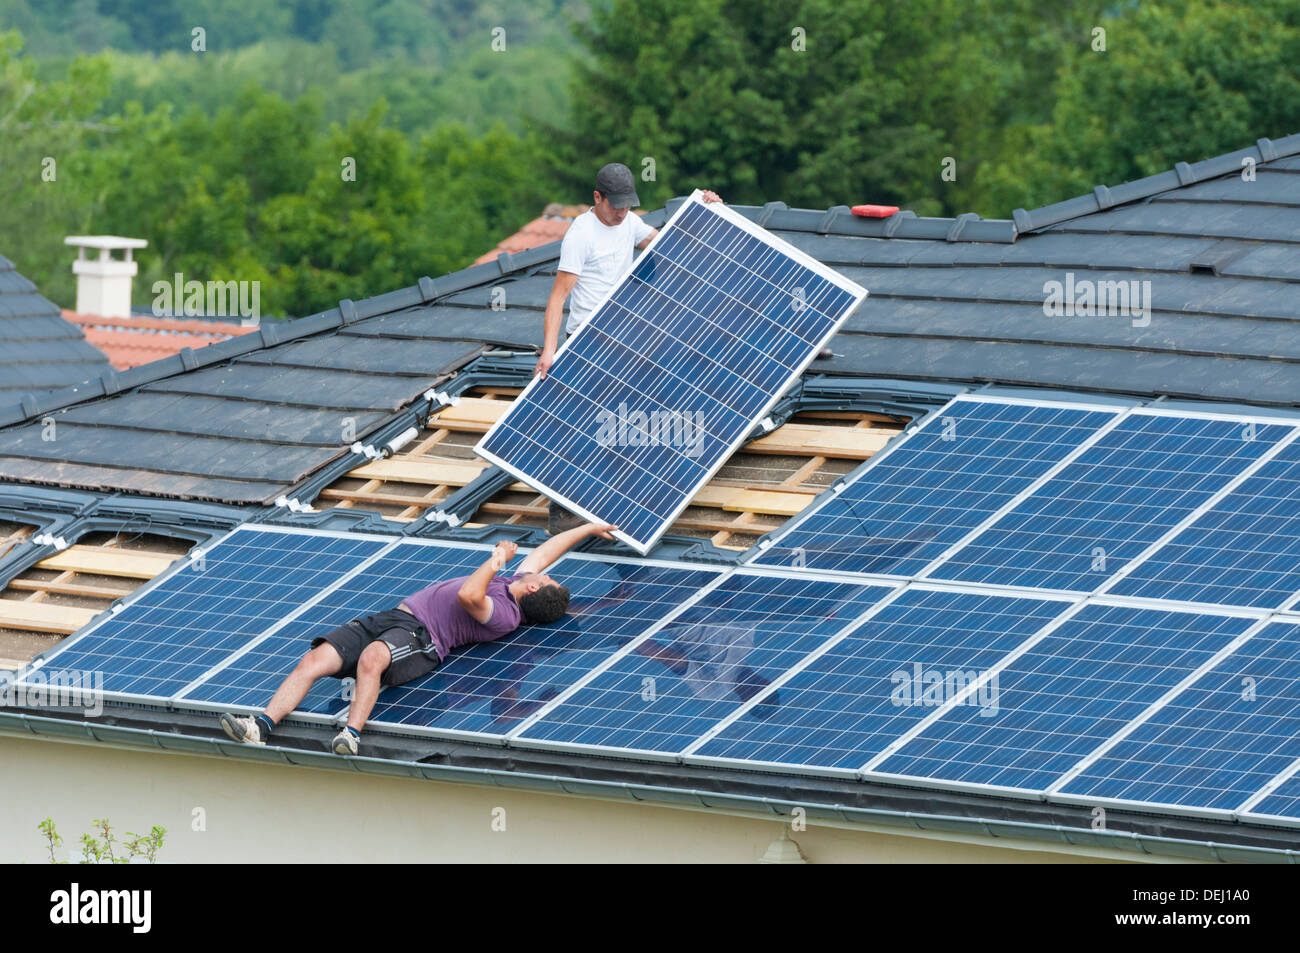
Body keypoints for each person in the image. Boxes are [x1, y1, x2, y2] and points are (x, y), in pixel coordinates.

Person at [218, 521, 617, 754]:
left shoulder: (506, 615)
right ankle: (261, 727)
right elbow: (550, 550)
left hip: (423, 637)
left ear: (532, 590)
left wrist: (495, 561)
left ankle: (350, 735)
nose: (543, 571)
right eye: (545, 573)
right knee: (315, 659)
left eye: (544, 577)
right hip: (395, 615)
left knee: (373, 658)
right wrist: (589, 528)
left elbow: (468, 595)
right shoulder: (517, 581)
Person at [532, 162, 720, 533]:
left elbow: (665, 243)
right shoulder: (580, 235)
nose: (621, 212)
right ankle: (564, 513)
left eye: (627, 205)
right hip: (588, 342)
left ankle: (621, 498)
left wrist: (700, 210)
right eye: (614, 205)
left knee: (627, 421)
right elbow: (557, 299)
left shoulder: (629, 222)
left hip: (624, 338)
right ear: (596, 198)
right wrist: (549, 351)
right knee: (581, 425)